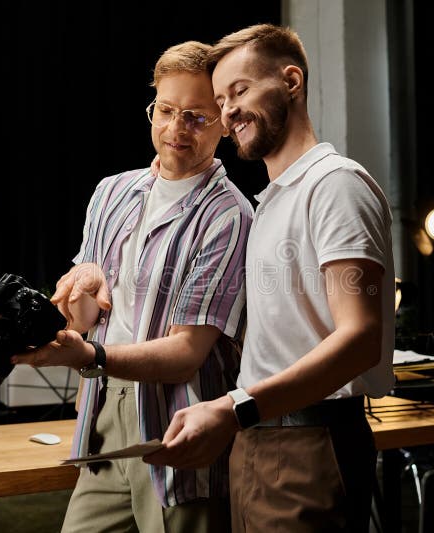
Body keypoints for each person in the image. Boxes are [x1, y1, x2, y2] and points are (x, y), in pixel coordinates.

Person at [144, 24, 395, 532]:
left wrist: (235, 408)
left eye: (240, 91)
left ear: (292, 81)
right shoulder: (271, 202)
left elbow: (361, 339)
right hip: (258, 440)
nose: (229, 111)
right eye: (220, 99)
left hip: (309, 443)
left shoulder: (335, 186)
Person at [12, 40, 253, 533]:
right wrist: (77, 294)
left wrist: (87, 356)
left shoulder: (230, 216)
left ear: (224, 123)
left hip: (180, 420)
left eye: (195, 116)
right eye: (165, 110)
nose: (175, 129)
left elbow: (188, 353)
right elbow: (86, 319)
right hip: (103, 413)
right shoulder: (112, 192)